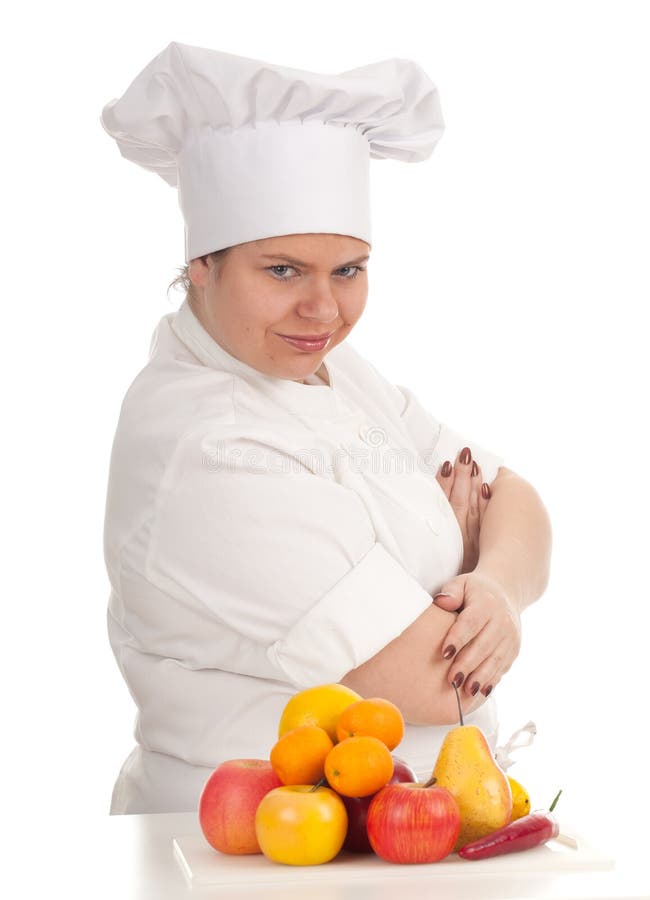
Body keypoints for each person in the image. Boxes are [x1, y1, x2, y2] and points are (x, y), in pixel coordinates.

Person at [101, 42, 552, 814]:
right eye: (282, 270)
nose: (322, 311)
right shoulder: (205, 446)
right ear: (202, 263)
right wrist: (459, 545)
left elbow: (517, 497)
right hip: (254, 840)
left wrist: (494, 586)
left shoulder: (328, 369)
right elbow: (439, 686)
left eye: (348, 270)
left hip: (406, 822)